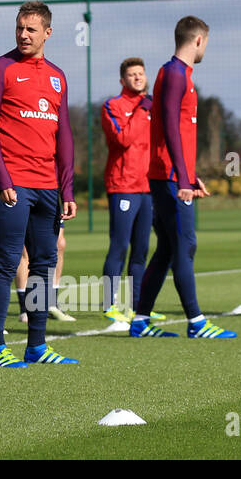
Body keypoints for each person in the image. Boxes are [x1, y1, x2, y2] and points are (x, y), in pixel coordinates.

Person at [0, 1, 78, 367]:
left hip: (48, 186)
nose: (23, 35)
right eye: (20, 27)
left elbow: (63, 133)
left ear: (47, 33)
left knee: (44, 264)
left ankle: (37, 345)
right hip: (11, 185)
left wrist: (66, 188)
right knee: (5, 263)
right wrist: (2, 177)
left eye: (31, 29)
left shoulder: (57, 76)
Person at [130, 16, 236, 340]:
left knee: (167, 249)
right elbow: (171, 130)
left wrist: (192, 175)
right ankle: (197, 322)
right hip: (169, 177)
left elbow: (177, 134)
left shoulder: (181, 75)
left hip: (175, 175)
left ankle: (139, 321)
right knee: (186, 245)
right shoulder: (174, 74)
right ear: (199, 40)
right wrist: (183, 180)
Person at [100, 57, 154, 328]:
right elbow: (123, 139)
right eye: (132, 75)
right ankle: (109, 304)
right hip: (123, 186)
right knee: (119, 246)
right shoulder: (113, 106)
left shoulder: (152, 106)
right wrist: (142, 111)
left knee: (142, 250)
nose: (137, 78)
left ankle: (139, 307)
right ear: (123, 80)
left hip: (148, 187)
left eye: (141, 74)